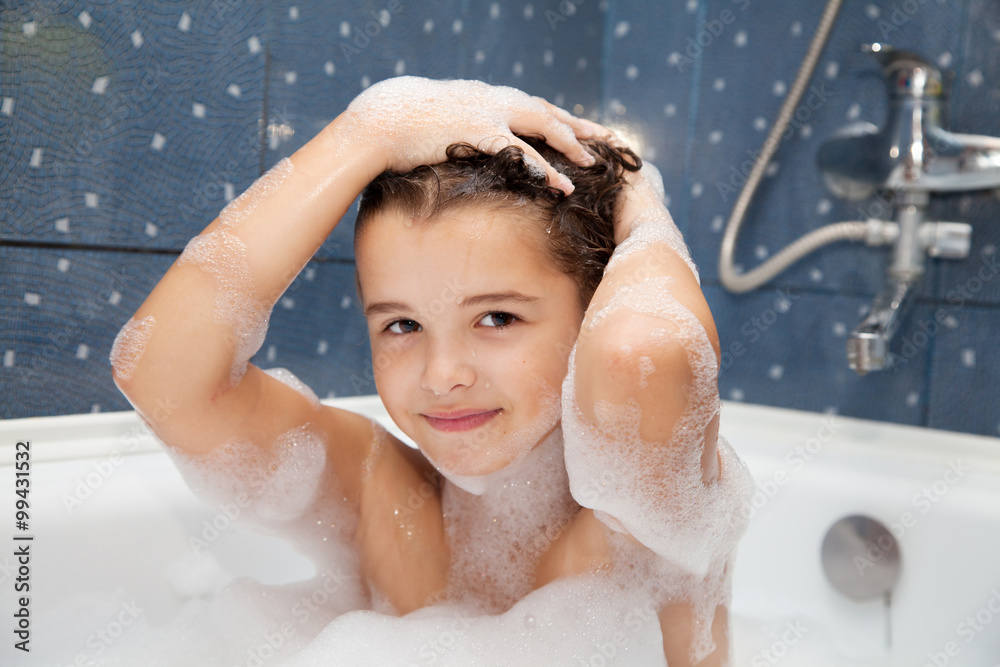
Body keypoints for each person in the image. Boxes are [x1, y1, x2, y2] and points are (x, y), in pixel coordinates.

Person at [111, 76, 751, 666]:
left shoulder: (645, 516)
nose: (442, 375)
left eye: (497, 318)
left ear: (595, 310)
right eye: (402, 325)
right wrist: (371, 130)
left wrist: (638, 210)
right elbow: (162, 375)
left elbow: (641, 353)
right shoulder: (381, 497)